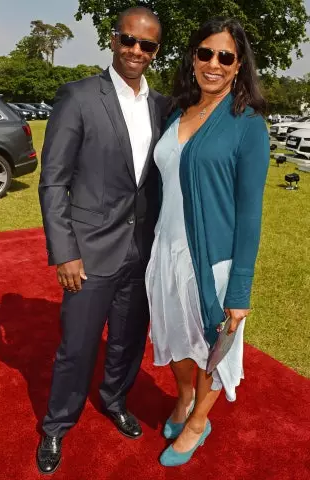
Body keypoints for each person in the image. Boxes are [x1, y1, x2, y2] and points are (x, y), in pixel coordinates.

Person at [37, 6, 167, 475]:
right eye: (128, 40)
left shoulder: (162, 106)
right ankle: (56, 424)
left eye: (146, 45)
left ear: (155, 51)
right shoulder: (77, 96)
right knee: (78, 344)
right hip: (88, 252)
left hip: (142, 251)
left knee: (128, 341)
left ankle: (115, 400)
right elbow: (53, 181)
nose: (136, 50)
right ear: (113, 41)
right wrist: (65, 251)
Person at [145, 17, 270, 467]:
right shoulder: (179, 113)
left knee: (213, 353)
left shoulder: (247, 125)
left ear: (238, 67)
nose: (213, 64)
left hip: (213, 261)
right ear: (193, 57)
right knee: (176, 341)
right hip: (166, 251)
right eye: (205, 53)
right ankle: (182, 398)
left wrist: (239, 290)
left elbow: (250, 213)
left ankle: (198, 422)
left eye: (225, 57)